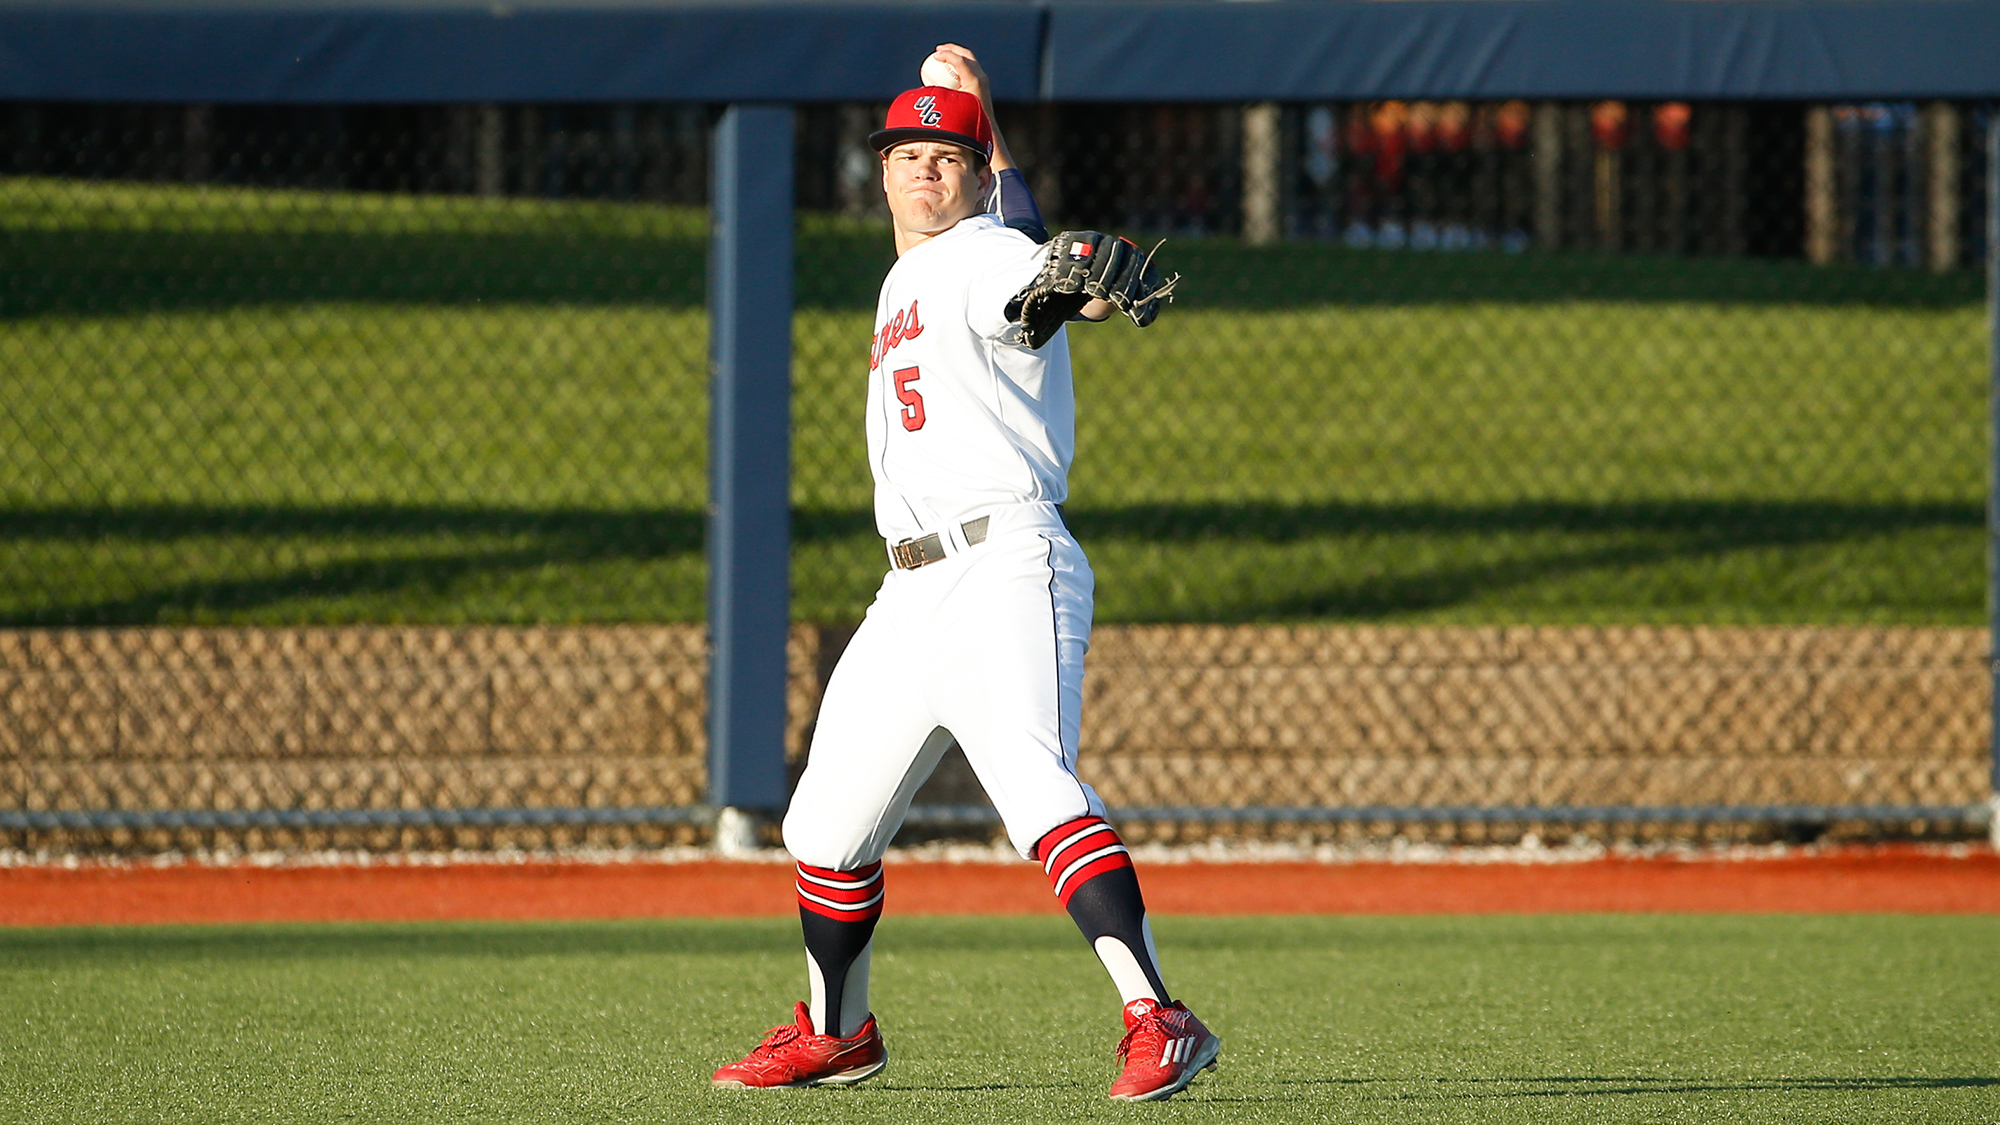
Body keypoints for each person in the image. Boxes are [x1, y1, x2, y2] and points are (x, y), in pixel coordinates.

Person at [710, 45, 1219, 1102]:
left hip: (1001, 565)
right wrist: (978, 106)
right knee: (822, 829)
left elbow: (1033, 288)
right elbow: (1014, 217)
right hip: (907, 592)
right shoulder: (917, 266)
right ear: (881, 168)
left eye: (947, 155)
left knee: (1036, 789)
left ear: (975, 175)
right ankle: (836, 1031)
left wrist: (1077, 290)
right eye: (907, 152)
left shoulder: (987, 257)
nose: (924, 169)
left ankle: (1156, 1015)